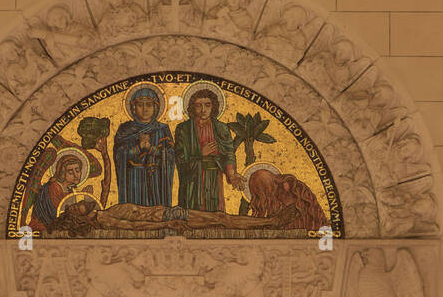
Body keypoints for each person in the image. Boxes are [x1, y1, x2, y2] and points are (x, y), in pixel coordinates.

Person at [48, 197, 297, 236]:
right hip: (171, 216)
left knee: (221, 217)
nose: (78, 203)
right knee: (221, 219)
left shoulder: (103, 211)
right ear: (79, 218)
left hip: (170, 212)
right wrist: (168, 222)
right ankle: (271, 222)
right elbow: (135, 226)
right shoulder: (103, 219)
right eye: (74, 208)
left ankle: (271, 221)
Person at [174, 87, 245, 212]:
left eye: (207, 105)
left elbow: (228, 153)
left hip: (214, 178)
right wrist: (200, 154)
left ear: (213, 107)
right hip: (193, 180)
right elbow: (180, 159)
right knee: (193, 214)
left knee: (215, 215)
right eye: (198, 106)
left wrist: (232, 175)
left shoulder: (221, 128)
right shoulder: (183, 129)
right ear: (192, 108)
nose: (203, 110)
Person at [113, 85, 175, 207]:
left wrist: (151, 148)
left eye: (149, 105)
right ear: (133, 108)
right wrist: (139, 147)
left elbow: (171, 156)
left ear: (156, 107)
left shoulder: (162, 129)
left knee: (156, 213)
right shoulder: (125, 130)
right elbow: (119, 156)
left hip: (156, 179)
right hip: (134, 178)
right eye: (140, 105)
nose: (145, 109)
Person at [28, 151, 86, 234]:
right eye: (70, 172)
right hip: (43, 227)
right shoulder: (54, 187)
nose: (76, 175)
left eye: (77, 170)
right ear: (62, 173)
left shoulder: (69, 190)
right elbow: (56, 214)